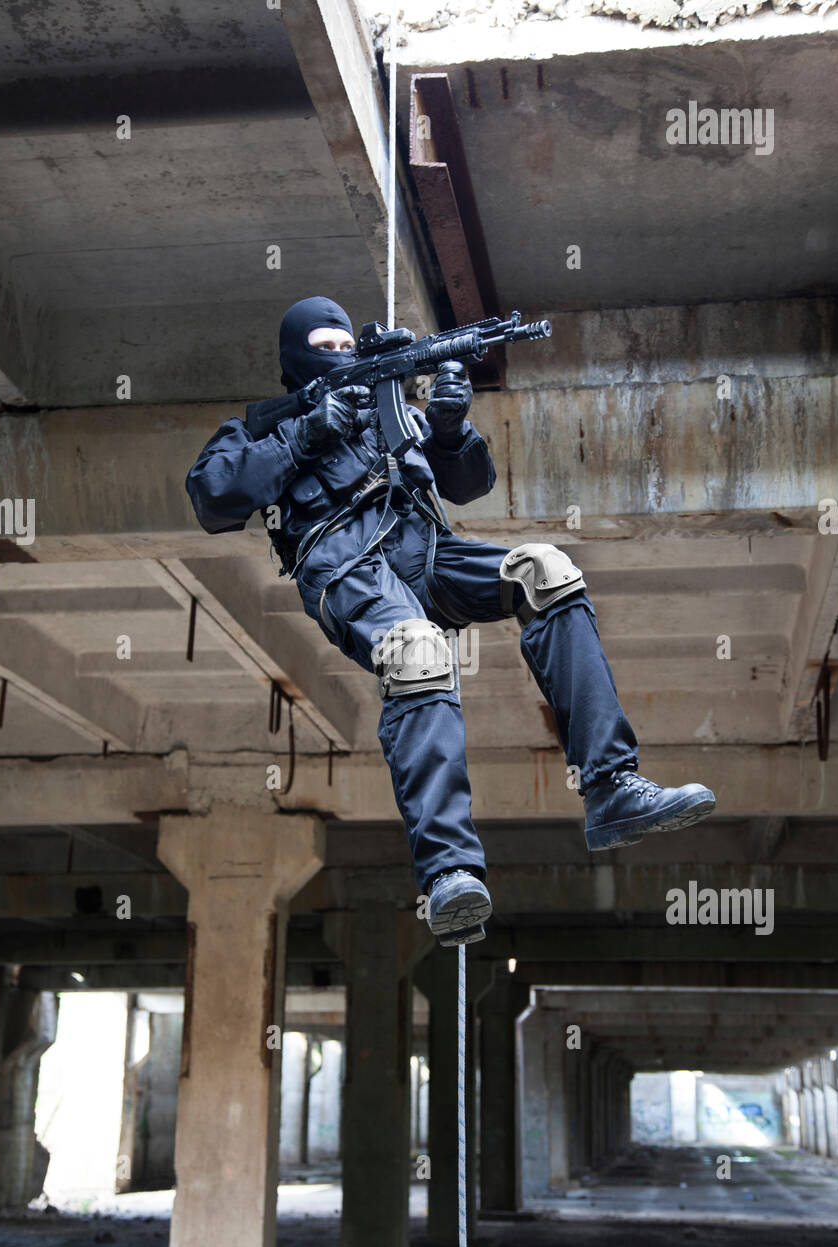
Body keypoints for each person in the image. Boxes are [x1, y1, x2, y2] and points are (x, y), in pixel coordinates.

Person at [187, 296, 716, 947]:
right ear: (292, 357)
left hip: (427, 553)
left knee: (544, 569)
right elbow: (212, 497)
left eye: (344, 342)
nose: (337, 353)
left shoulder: (391, 411)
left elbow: (468, 484)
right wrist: (306, 433)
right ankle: (448, 875)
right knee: (417, 652)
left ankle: (610, 786)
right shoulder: (261, 431)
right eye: (322, 345)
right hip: (347, 566)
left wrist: (446, 427)